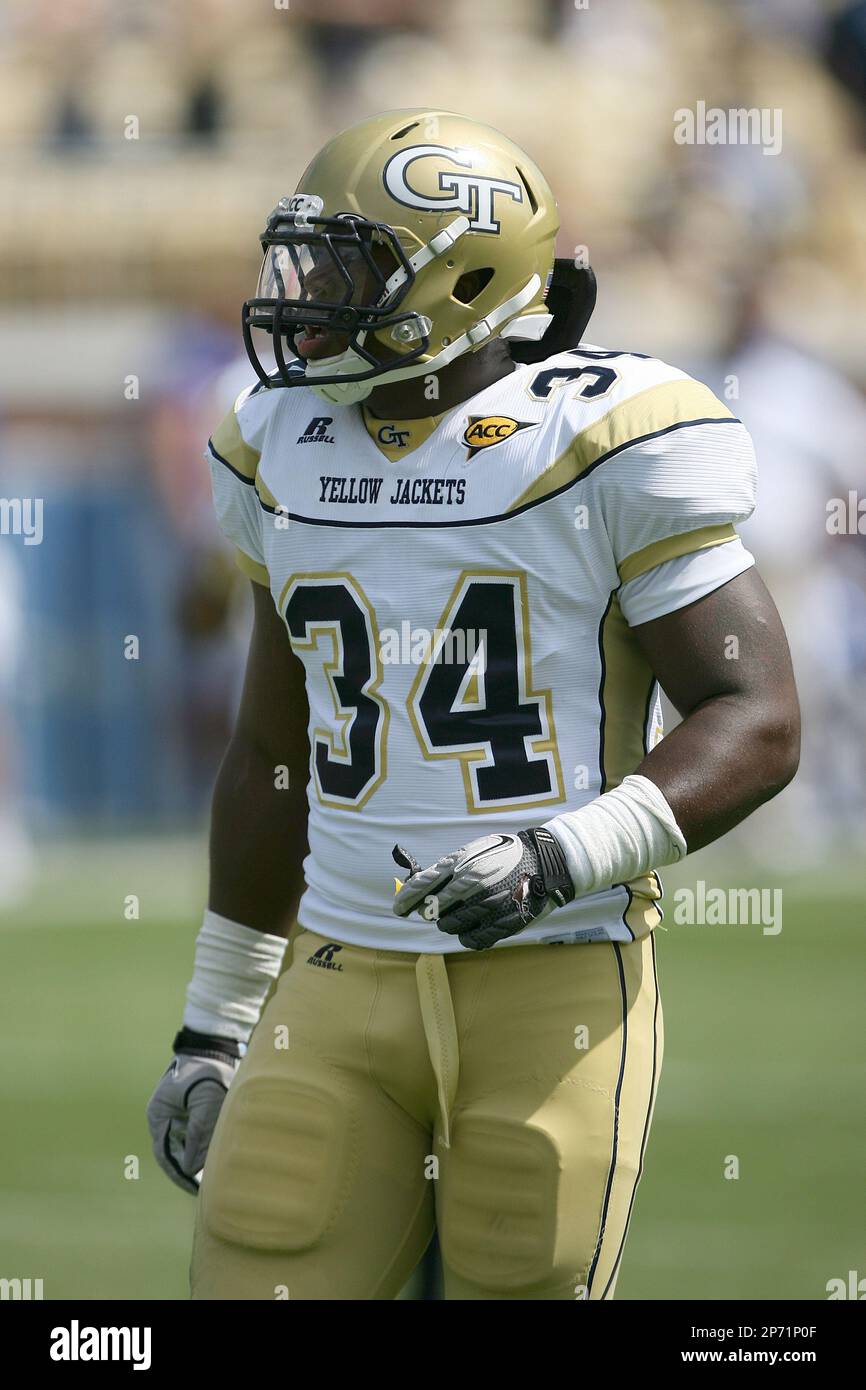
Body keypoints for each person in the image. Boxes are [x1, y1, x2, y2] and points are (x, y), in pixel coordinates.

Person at [147, 109, 800, 1300]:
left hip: (551, 975)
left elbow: (752, 715)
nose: (302, 296)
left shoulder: (602, 435)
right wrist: (213, 1021)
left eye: (344, 266)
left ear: (461, 281)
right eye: (302, 260)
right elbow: (269, 752)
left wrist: (560, 854)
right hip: (335, 973)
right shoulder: (277, 442)